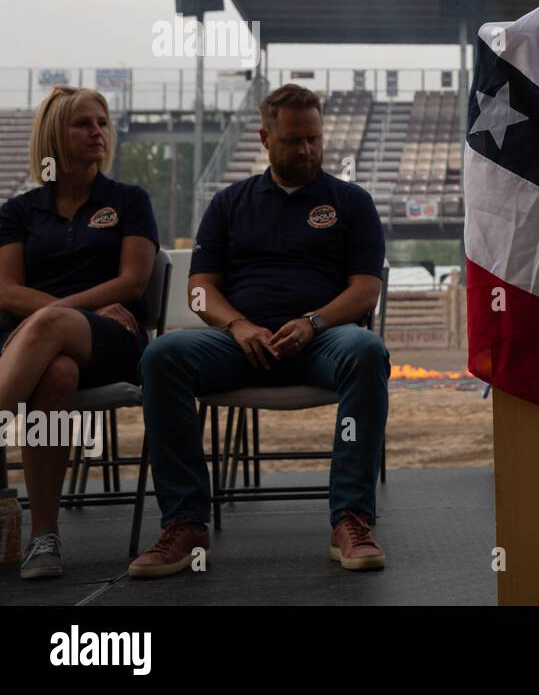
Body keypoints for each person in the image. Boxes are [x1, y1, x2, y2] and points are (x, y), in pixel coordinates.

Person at [129, 85, 391, 577]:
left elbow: (364, 292)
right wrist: (238, 325)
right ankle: (185, 524)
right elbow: (200, 291)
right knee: (161, 355)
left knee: (366, 348)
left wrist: (313, 323)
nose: (307, 151)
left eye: (314, 139)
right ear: (265, 138)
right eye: (294, 140)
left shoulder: (352, 201)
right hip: (237, 344)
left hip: (323, 342)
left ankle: (351, 519)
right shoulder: (229, 203)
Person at [0, 86, 159, 580]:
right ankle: (44, 537)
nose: (98, 132)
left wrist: (58, 316)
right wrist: (58, 317)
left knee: (53, 331)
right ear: (54, 134)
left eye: (102, 123)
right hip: (34, 347)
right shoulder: (19, 211)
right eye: (83, 124)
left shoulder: (129, 201)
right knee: (57, 374)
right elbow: (5, 290)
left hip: (113, 338)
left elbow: (132, 281)